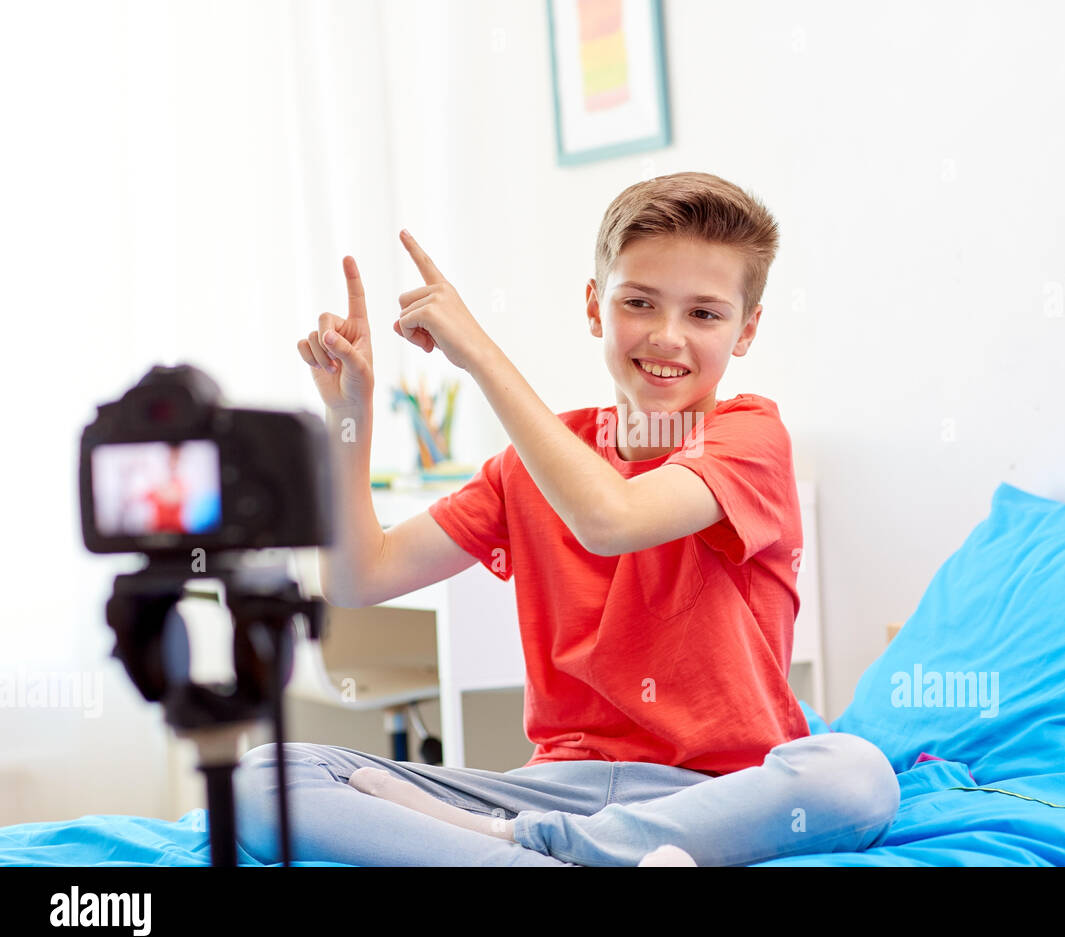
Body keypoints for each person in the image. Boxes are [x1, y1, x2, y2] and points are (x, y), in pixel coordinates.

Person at [237, 171, 899, 866]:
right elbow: (356, 578)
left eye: (704, 314)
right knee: (269, 779)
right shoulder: (533, 463)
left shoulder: (752, 439)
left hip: (715, 800)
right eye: (639, 303)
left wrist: (480, 355)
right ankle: (544, 853)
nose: (668, 336)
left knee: (856, 777)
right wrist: (350, 416)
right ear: (594, 307)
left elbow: (609, 518)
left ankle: (530, 852)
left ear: (746, 330)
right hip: (550, 788)